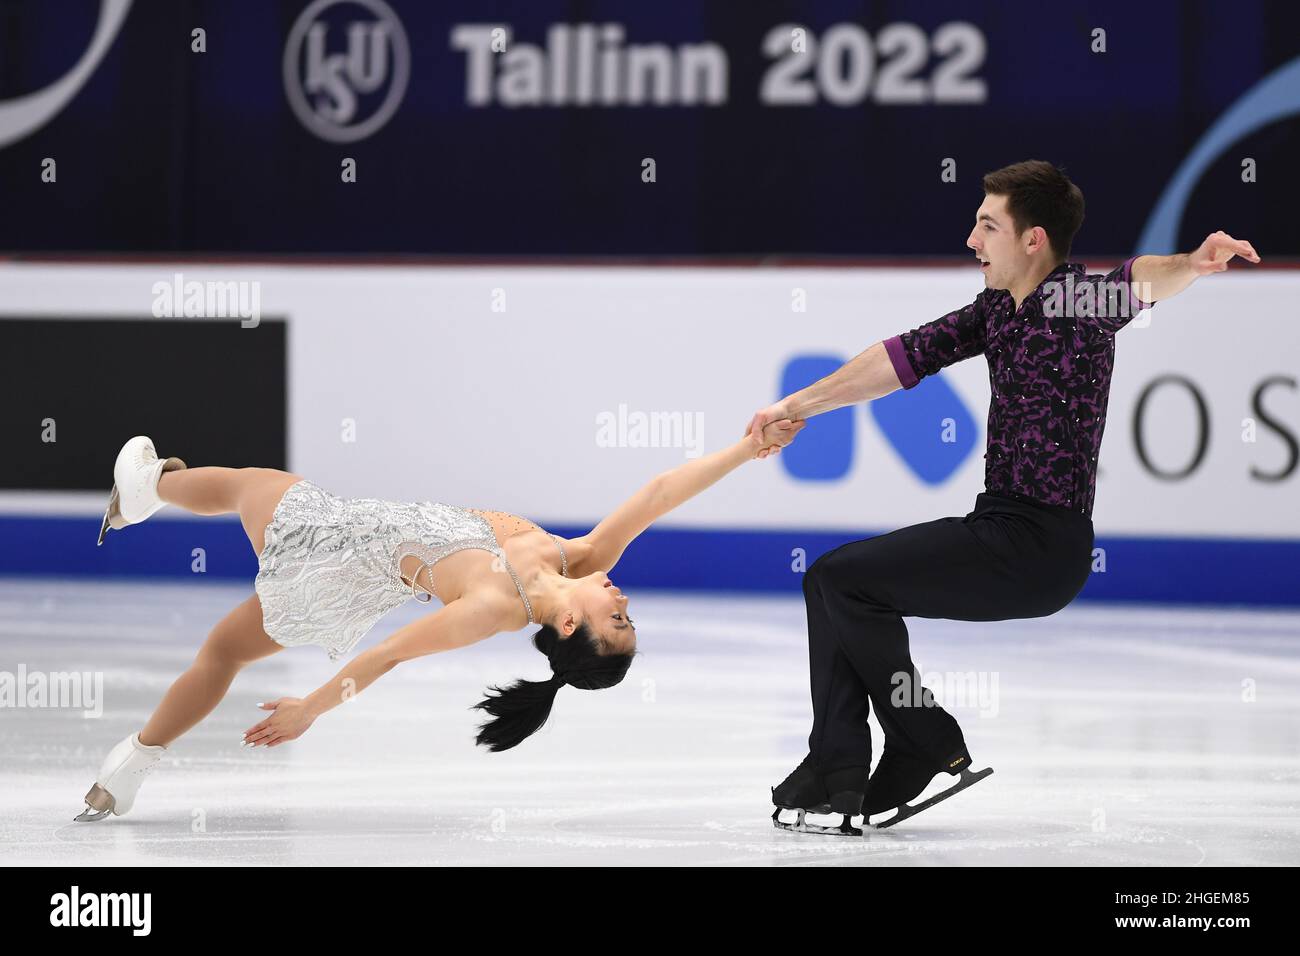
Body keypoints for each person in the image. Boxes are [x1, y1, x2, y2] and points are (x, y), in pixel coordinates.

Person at [746, 159, 1260, 834]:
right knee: (839, 584)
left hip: (1041, 546)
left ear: (1033, 240)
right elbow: (900, 358)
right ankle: (870, 756)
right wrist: (799, 404)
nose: (972, 239)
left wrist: (1192, 263)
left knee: (839, 580)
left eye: (988, 225)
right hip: (999, 528)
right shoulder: (994, 313)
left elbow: (1139, 282)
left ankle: (898, 745)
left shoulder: (1076, 302)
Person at [76, 417, 804, 821]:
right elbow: (655, 496)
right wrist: (747, 449)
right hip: (347, 580)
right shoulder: (573, 558)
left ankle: (147, 488)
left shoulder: (492, 608)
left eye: (619, 621)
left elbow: (389, 655)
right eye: (629, 615)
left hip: (331, 546)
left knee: (256, 485)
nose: (622, 602)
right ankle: (130, 768)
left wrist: (312, 709)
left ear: (573, 629)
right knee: (224, 652)